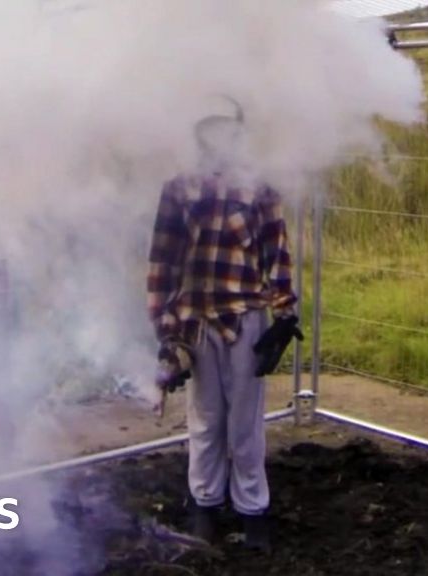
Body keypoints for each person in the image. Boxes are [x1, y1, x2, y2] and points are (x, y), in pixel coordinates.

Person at [146, 98, 302, 551]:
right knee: (205, 418)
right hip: (196, 322)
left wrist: (283, 316)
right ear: (198, 133)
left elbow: (277, 253)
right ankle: (205, 506)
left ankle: (253, 512)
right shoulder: (178, 188)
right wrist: (166, 332)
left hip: (247, 318)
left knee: (245, 424)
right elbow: (163, 262)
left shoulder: (259, 186)